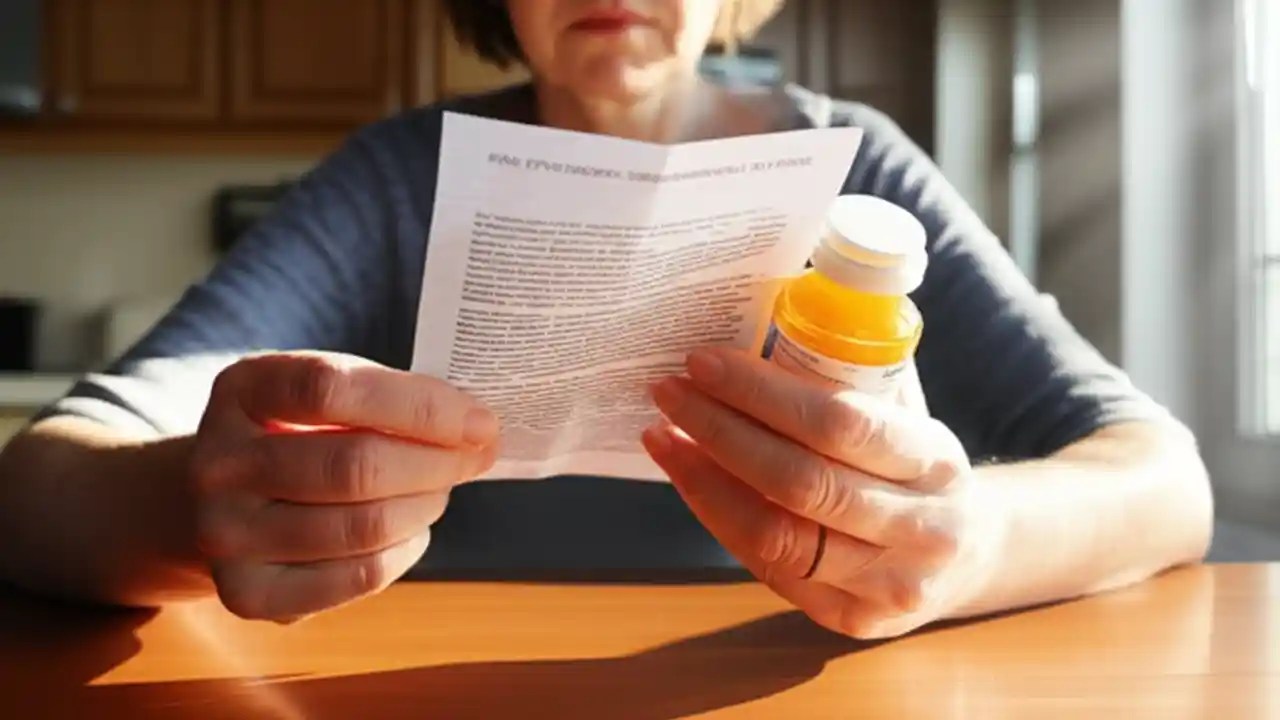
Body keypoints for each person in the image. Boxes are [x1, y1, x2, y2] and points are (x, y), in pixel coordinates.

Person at [0, 0, 1212, 640]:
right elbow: (38, 488)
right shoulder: (395, 184)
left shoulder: (852, 176)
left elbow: (1162, 483)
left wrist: (964, 544)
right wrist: (189, 508)